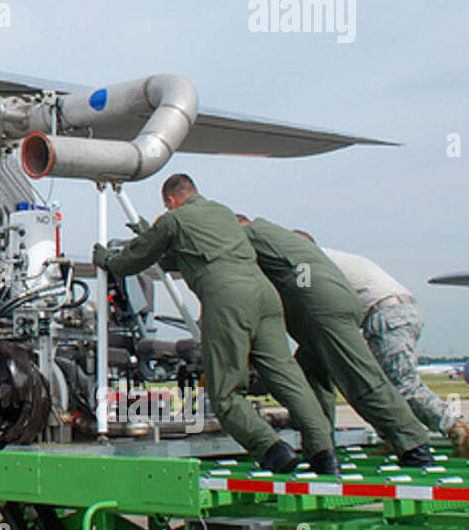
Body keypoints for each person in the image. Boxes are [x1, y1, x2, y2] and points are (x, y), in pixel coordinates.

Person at [93, 174, 338, 474]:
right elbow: (178, 257)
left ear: (170, 201)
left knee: (225, 394)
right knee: (289, 380)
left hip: (229, 299)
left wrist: (106, 258)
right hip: (265, 296)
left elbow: (135, 261)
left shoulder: (175, 220)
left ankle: (273, 450)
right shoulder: (223, 213)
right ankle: (325, 454)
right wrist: (147, 232)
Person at [236, 216, 432, 467]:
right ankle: (320, 444)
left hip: (325, 314)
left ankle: (413, 444)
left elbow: (301, 281)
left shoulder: (257, 238)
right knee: (311, 373)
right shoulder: (284, 243)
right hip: (330, 309)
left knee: (360, 379)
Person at [302, 236, 469, 459]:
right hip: (396, 312)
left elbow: (307, 296)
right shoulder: (334, 259)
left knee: (401, 384)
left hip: (387, 314)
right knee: (383, 383)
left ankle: (457, 428)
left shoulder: (307, 263)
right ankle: (395, 438)